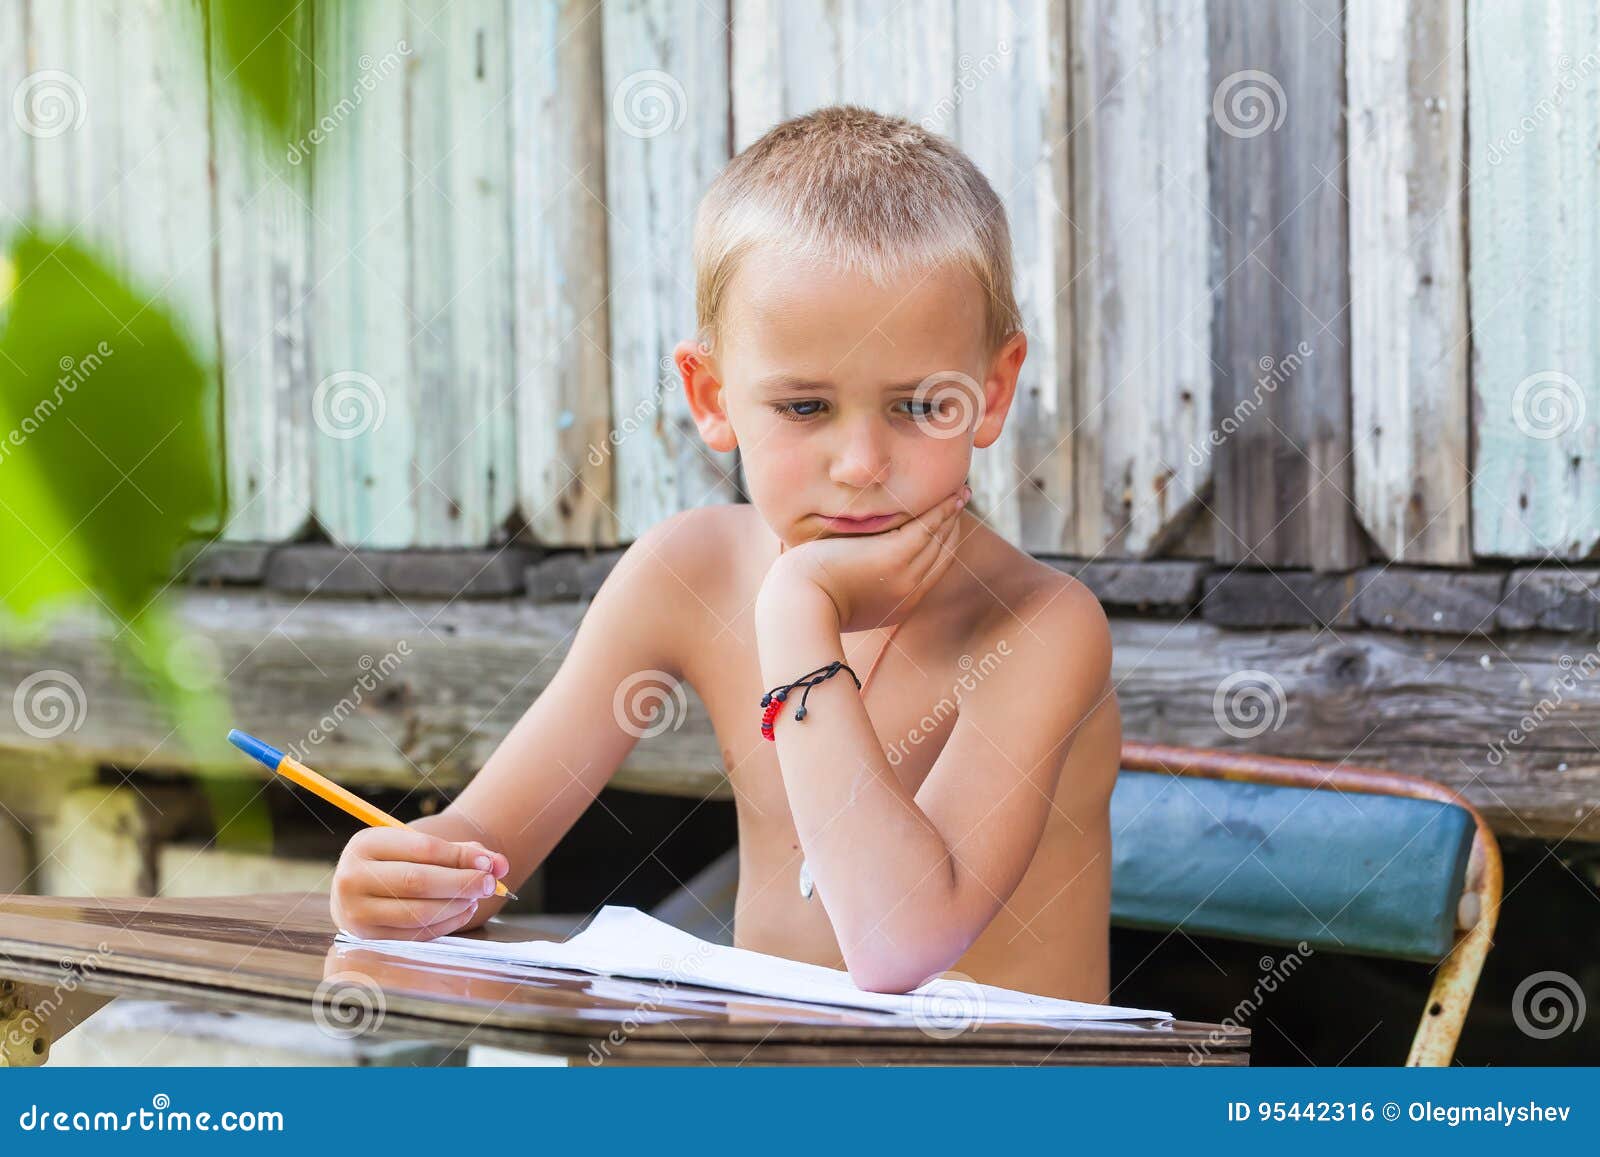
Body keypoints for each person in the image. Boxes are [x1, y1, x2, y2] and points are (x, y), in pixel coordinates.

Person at [331, 105, 1119, 1001]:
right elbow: (482, 858)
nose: (861, 466)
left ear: (993, 390)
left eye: (917, 405)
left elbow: (900, 943)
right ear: (710, 395)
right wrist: (399, 883)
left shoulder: (1041, 627)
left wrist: (796, 610)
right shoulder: (688, 572)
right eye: (805, 407)